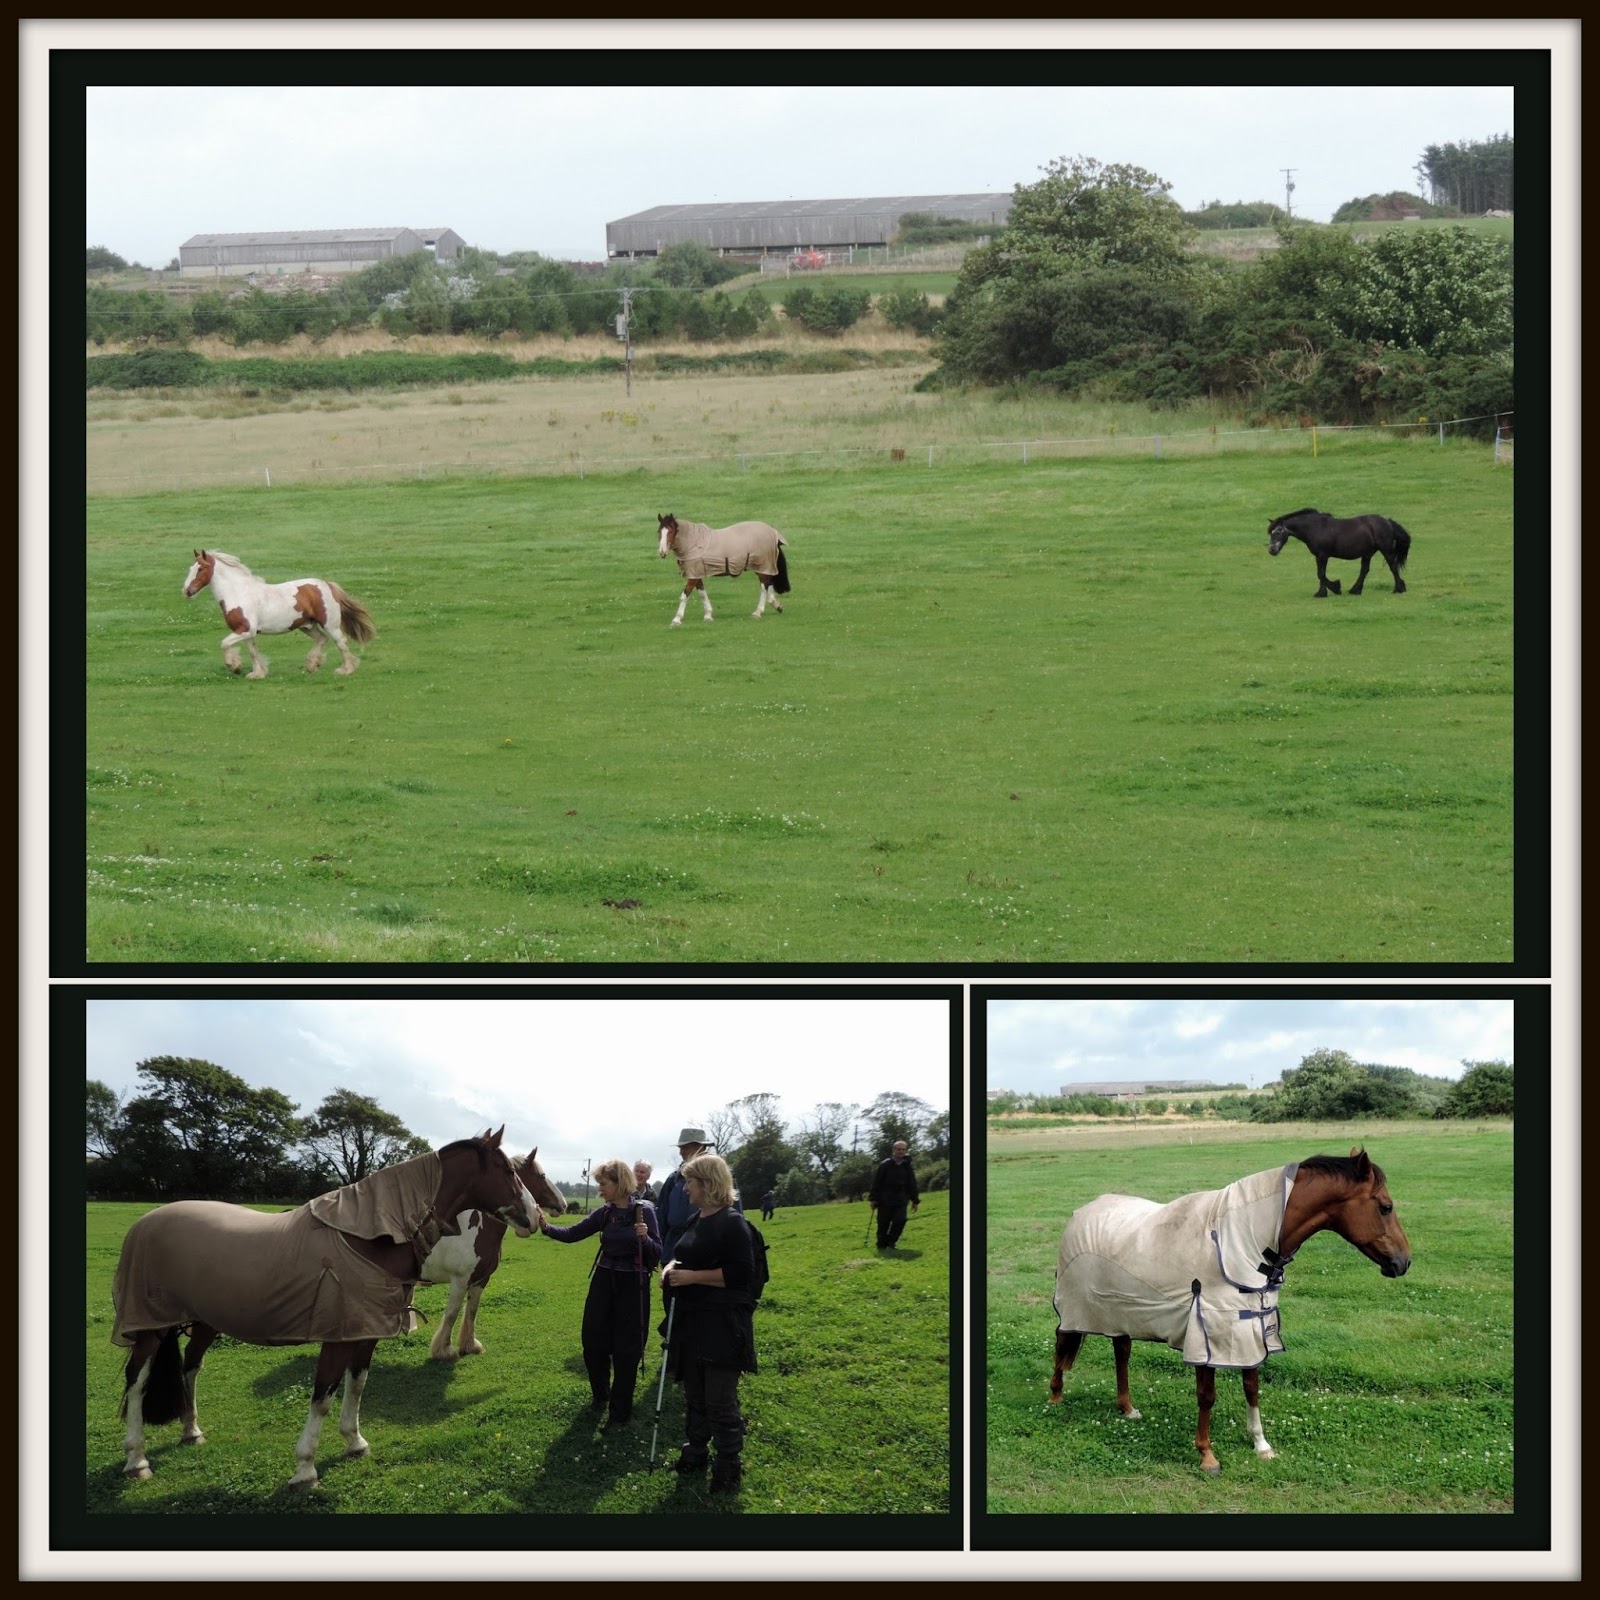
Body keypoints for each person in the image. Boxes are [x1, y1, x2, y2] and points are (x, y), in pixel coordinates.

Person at [538, 1157, 660, 1431]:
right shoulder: (605, 1213)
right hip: (604, 1280)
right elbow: (573, 1233)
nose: (600, 1189)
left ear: (620, 1183)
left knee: (627, 1350)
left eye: (603, 1184)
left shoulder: (644, 1212)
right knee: (593, 1342)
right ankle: (600, 1395)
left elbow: (658, 1252)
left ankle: (619, 1413)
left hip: (633, 1284)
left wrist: (645, 1238)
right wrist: (546, 1228)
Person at [661, 1152, 757, 1494]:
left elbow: (742, 1274)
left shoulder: (733, 1223)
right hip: (692, 1321)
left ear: (708, 1183)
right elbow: (681, 1255)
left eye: (690, 1181)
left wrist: (692, 1277)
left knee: (719, 1397)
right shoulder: (696, 1220)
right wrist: (670, 1268)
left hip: (722, 1324)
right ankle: (696, 1450)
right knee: (695, 1393)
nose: (685, 1188)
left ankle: (729, 1464)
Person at [655, 1125, 714, 1334]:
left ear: (701, 1148)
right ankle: (674, 1350)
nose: (681, 1152)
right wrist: (659, 1250)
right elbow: (661, 1217)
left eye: (686, 1147)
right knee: (672, 1308)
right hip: (673, 1250)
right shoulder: (673, 1180)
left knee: (702, 1312)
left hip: (706, 1257)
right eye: (681, 1148)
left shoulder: (718, 1177)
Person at [869, 1140, 920, 1250]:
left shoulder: (907, 1166)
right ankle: (881, 1244)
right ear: (893, 1150)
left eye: (903, 1149)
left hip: (901, 1199)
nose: (901, 1151)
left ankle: (892, 1242)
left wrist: (915, 1201)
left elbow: (912, 1183)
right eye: (898, 1149)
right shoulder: (885, 1164)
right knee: (883, 1223)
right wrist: (873, 1199)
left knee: (901, 1220)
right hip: (884, 1199)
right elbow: (876, 1182)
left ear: (906, 1150)